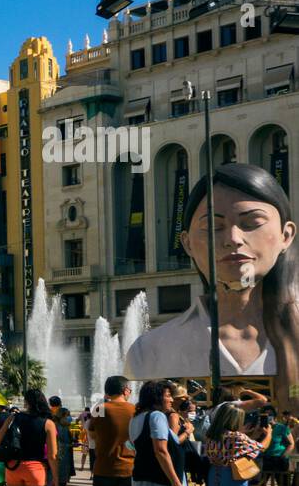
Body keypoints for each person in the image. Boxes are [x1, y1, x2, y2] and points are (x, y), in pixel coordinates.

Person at [125, 163, 298, 398]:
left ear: (285, 235)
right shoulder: (150, 350)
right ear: (186, 243)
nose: (233, 239)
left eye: (252, 223)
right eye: (213, 227)